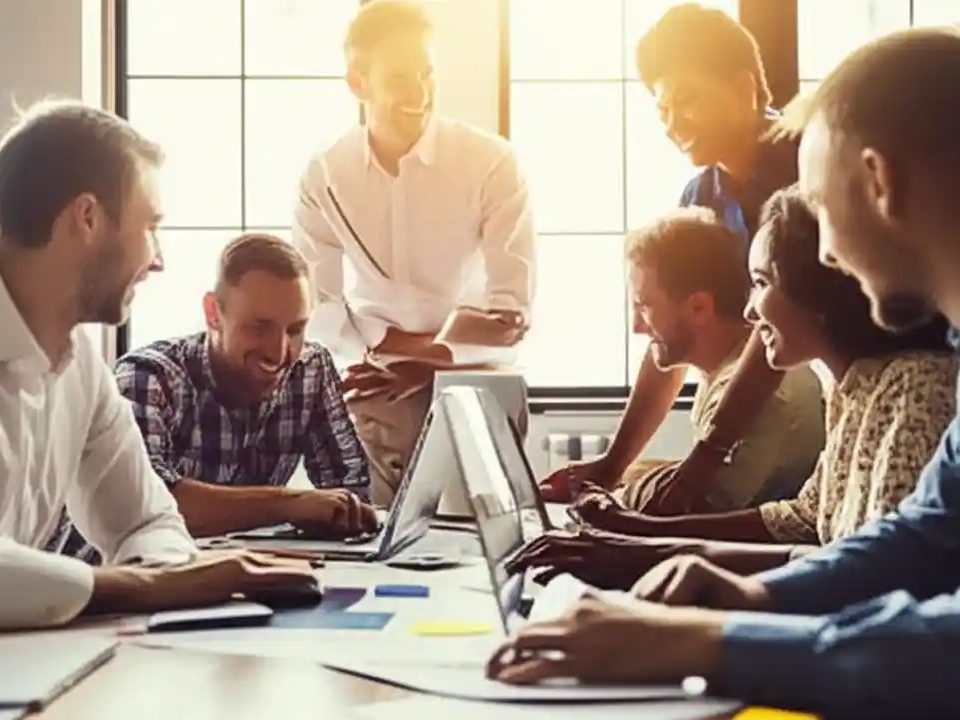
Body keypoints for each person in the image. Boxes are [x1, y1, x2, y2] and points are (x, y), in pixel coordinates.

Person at [488, 29, 960, 717]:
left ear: (878, 181)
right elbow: (929, 533)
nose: (824, 252)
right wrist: (755, 598)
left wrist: (713, 644)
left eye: (821, 210)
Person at [0, 100, 316, 637]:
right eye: (151, 227)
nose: (159, 258)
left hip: (10, 676)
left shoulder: (83, 373)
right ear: (88, 218)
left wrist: (168, 577)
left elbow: (148, 522)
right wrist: (141, 587)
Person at [506, 186, 957, 588]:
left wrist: (652, 553)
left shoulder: (914, 386)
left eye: (761, 284)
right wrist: (640, 532)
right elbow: (800, 520)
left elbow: (880, 575)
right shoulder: (853, 390)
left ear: (816, 289)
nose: (749, 312)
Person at [539, 3, 802, 514]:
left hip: (815, 411)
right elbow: (671, 328)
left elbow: (783, 322)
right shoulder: (700, 194)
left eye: (687, 101)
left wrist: (706, 457)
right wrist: (613, 465)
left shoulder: (807, 169)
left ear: (745, 89)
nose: (672, 124)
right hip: (746, 431)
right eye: (662, 110)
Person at [294, 0, 535, 505]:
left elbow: (511, 308)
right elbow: (318, 305)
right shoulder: (324, 175)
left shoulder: (492, 163)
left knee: (479, 553)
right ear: (358, 83)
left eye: (428, 74)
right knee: (372, 546)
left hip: (476, 384)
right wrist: (389, 353)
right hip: (376, 386)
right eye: (401, 78)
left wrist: (428, 357)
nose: (421, 93)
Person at [112, 233, 376, 539]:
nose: (279, 352)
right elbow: (143, 507)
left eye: (295, 329)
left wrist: (345, 514)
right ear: (213, 313)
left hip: (230, 570)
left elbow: (352, 494)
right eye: (259, 327)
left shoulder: (310, 369)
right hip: (117, 574)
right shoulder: (148, 376)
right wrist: (288, 504)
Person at [605, 207, 823, 516]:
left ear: (699, 308)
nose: (636, 327)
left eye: (644, 305)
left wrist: (614, 498)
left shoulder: (760, 395)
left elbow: (692, 511)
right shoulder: (720, 372)